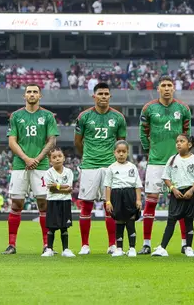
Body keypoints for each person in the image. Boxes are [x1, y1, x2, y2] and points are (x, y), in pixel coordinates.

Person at [3, 83, 59, 255]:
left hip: (41, 166)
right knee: (17, 203)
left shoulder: (48, 116)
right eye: (29, 92)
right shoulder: (16, 116)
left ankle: (46, 245)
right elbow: (12, 141)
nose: (32, 94)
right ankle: (11, 245)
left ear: (40, 96)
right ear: (24, 96)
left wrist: (38, 158)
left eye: (35, 92)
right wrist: (27, 158)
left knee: (43, 204)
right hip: (21, 165)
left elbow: (52, 141)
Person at [139, 76, 192, 254]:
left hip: (178, 162)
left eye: (170, 85)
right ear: (158, 88)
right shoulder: (149, 108)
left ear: (174, 88)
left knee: (181, 202)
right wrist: (149, 150)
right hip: (156, 161)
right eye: (164, 86)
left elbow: (187, 135)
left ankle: (185, 243)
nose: (167, 88)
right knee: (151, 201)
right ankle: (146, 243)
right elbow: (143, 132)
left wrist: (183, 155)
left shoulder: (183, 109)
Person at [74, 82, 127, 255]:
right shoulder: (84, 117)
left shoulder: (118, 117)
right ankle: (85, 245)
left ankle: (112, 244)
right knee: (86, 205)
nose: (103, 96)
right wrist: (88, 155)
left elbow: (121, 144)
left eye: (106, 94)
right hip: (89, 165)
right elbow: (77, 142)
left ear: (110, 96)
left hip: (110, 167)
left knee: (109, 206)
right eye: (100, 94)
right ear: (94, 96)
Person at [152, 134, 194, 257]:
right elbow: (166, 177)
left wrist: (191, 191)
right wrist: (172, 189)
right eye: (177, 141)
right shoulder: (172, 159)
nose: (178, 144)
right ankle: (162, 248)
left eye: (182, 141)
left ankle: (189, 248)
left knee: (189, 221)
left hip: (190, 193)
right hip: (176, 193)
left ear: (189, 144)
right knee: (171, 221)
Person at [104, 140, 143, 257]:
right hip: (116, 195)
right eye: (118, 151)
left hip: (129, 194)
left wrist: (138, 200)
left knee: (130, 221)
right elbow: (108, 186)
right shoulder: (111, 168)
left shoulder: (132, 167)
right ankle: (119, 248)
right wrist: (108, 201)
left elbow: (137, 185)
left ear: (127, 152)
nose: (121, 154)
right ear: (114, 153)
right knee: (119, 221)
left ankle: (132, 248)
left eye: (124, 151)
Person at [43, 147, 75, 257]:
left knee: (64, 226)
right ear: (50, 160)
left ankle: (65, 249)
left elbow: (69, 188)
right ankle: (49, 249)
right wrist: (62, 188)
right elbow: (51, 188)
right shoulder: (48, 173)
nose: (57, 159)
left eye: (59, 156)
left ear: (64, 158)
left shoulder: (69, 172)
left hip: (65, 201)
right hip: (52, 201)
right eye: (54, 157)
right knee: (51, 226)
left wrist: (56, 186)